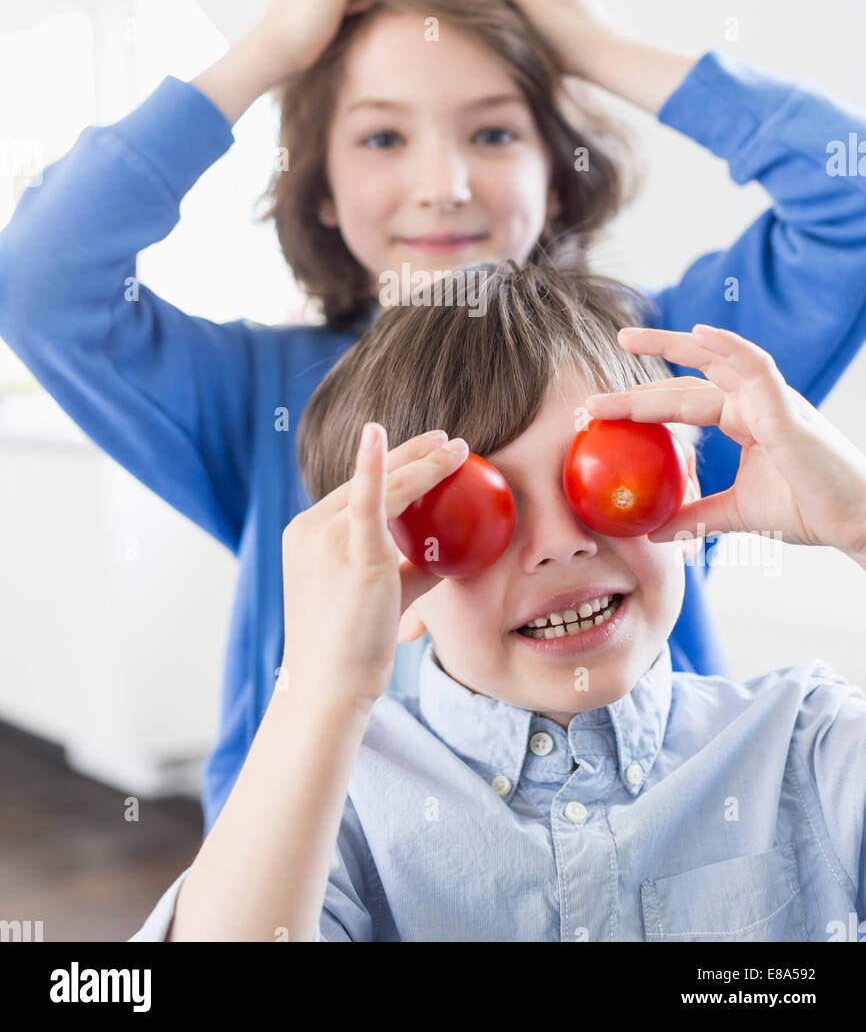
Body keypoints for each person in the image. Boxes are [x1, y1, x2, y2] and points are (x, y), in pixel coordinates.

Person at [2, 0, 866, 837]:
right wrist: (270, 49)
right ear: (321, 188)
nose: (443, 185)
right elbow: (39, 277)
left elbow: (852, 195)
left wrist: (591, 47)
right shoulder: (260, 401)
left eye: (494, 132)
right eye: (382, 136)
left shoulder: (652, 355)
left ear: (555, 163)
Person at [129, 262, 866, 941]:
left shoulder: (808, 748)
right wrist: (319, 688)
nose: (560, 546)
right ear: (396, 584)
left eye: (612, 476)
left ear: (686, 491)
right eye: (469, 516)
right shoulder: (335, 808)